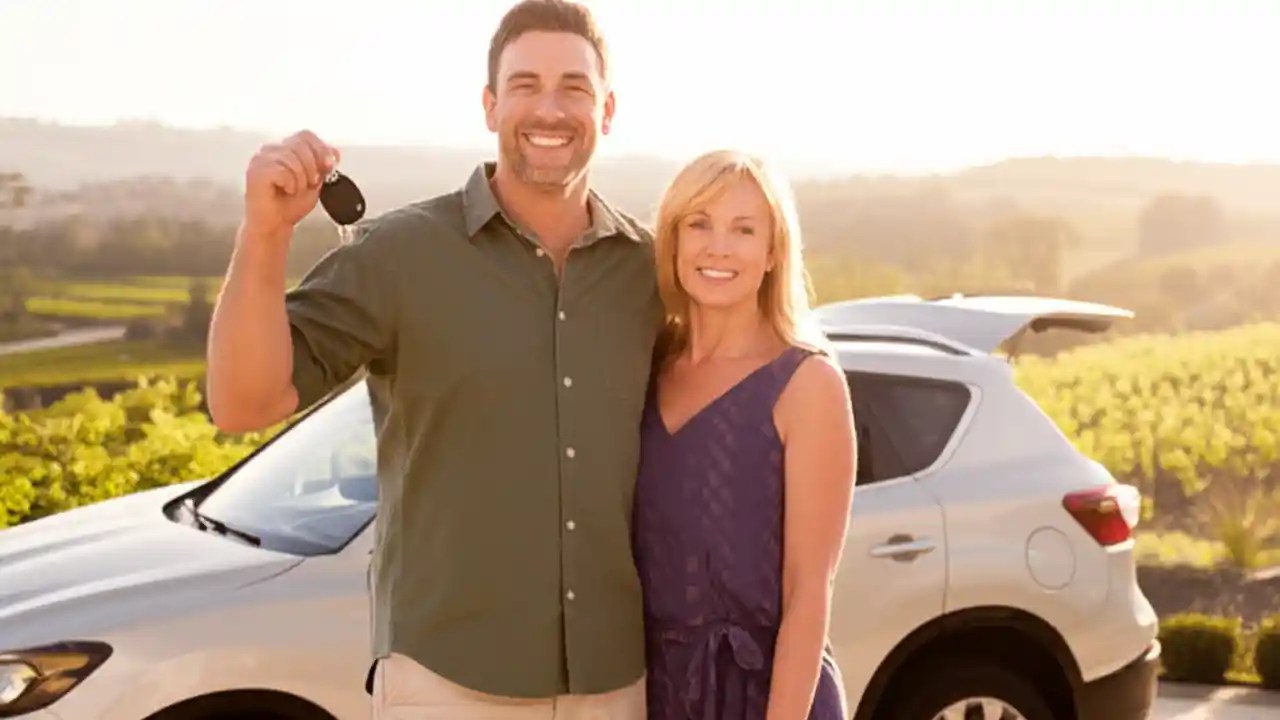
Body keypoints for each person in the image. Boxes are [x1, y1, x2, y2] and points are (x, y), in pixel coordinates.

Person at [205, 1, 659, 717]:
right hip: (446, 682)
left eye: (573, 87)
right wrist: (264, 234)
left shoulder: (652, 272)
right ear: (489, 105)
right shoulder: (401, 255)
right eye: (525, 85)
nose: (550, 108)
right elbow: (243, 402)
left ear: (606, 110)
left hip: (615, 681)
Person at [632, 149, 857, 719]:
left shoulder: (807, 383)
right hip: (655, 692)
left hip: (767, 696)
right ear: (674, 240)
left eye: (744, 229)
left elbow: (809, 593)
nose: (718, 247)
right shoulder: (646, 367)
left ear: (773, 250)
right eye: (699, 224)